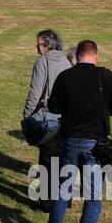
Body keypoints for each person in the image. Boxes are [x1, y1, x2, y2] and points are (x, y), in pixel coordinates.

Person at [44, 40, 112, 223]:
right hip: (94, 144)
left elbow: (54, 107)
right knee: (92, 196)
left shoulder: (65, 77)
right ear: (95, 55)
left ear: (76, 56)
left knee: (62, 191)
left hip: (69, 140)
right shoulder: (106, 76)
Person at [22, 29, 72, 210]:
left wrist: (27, 116)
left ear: (48, 45)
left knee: (46, 160)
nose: (37, 46)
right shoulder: (66, 61)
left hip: (48, 118)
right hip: (66, 118)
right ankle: (65, 199)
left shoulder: (42, 62)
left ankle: (47, 202)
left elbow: (34, 93)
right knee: (63, 159)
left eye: (40, 43)